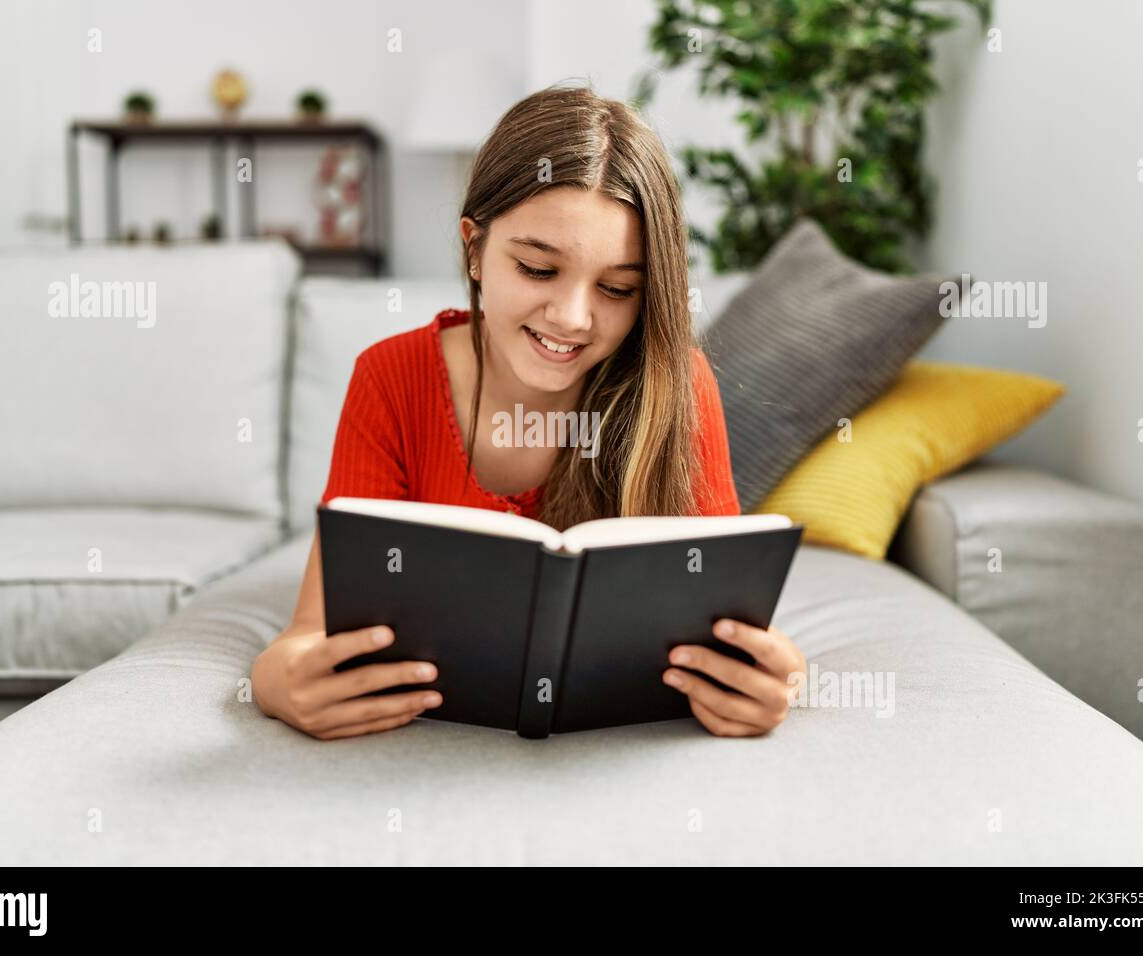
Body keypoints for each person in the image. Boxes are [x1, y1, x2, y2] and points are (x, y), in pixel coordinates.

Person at [252, 83, 805, 740]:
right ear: (475, 251)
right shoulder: (391, 378)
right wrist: (280, 684)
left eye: (617, 288)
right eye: (539, 270)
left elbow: (741, 635)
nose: (573, 318)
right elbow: (305, 639)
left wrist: (775, 678)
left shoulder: (678, 385)